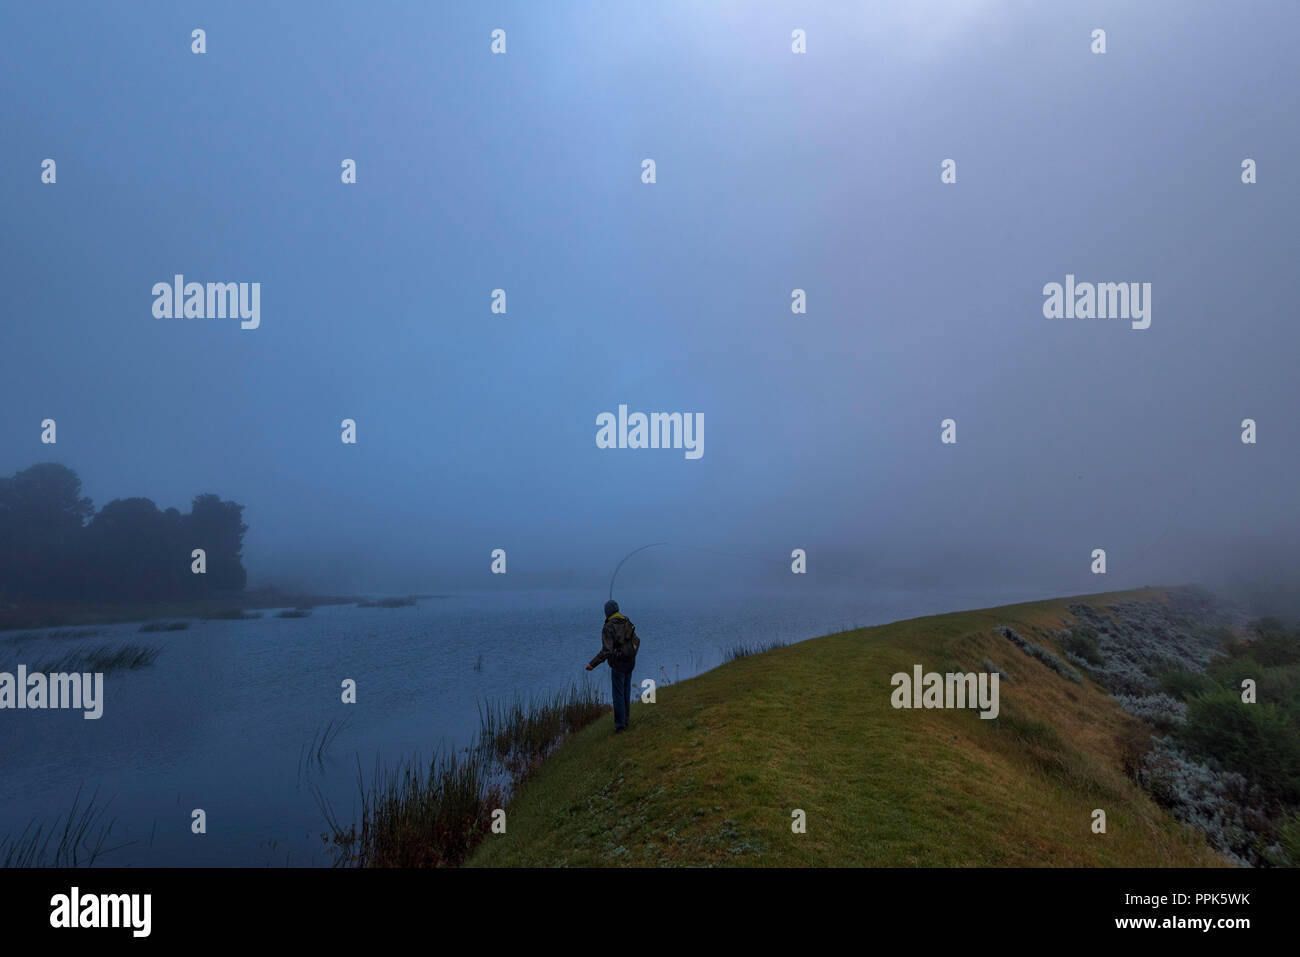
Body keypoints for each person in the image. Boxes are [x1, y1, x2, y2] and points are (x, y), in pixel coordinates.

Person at [585, 599, 639, 732]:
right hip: (630, 662)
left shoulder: (608, 627)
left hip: (618, 665)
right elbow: (635, 641)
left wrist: (593, 664)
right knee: (626, 693)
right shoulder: (626, 621)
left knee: (618, 695)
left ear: (607, 613)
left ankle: (620, 726)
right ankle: (625, 720)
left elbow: (607, 651)